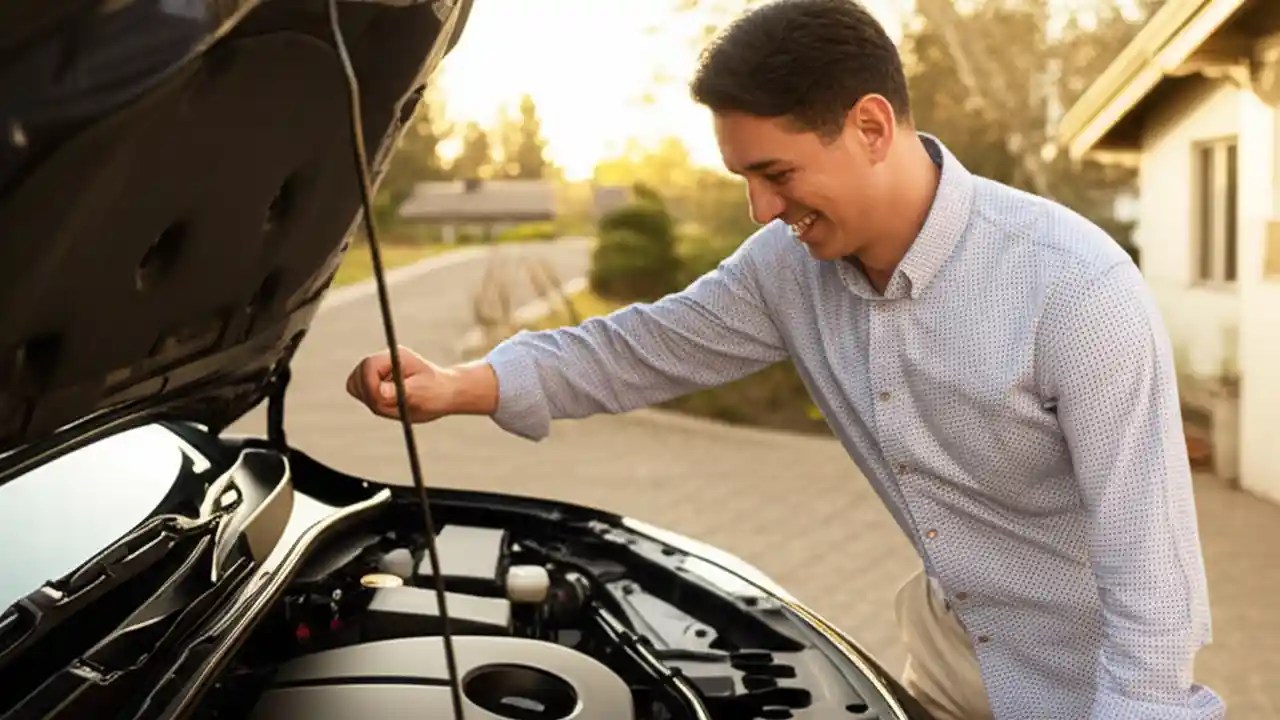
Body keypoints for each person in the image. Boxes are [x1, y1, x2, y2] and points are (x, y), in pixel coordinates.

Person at [345, 1, 1224, 718]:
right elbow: (641, 346)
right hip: (949, 655)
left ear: (872, 127)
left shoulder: (1074, 289)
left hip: (1092, 685)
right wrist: (463, 384)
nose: (761, 210)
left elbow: (1152, 570)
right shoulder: (790, 267)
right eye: (744, 179)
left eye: (778, 173)